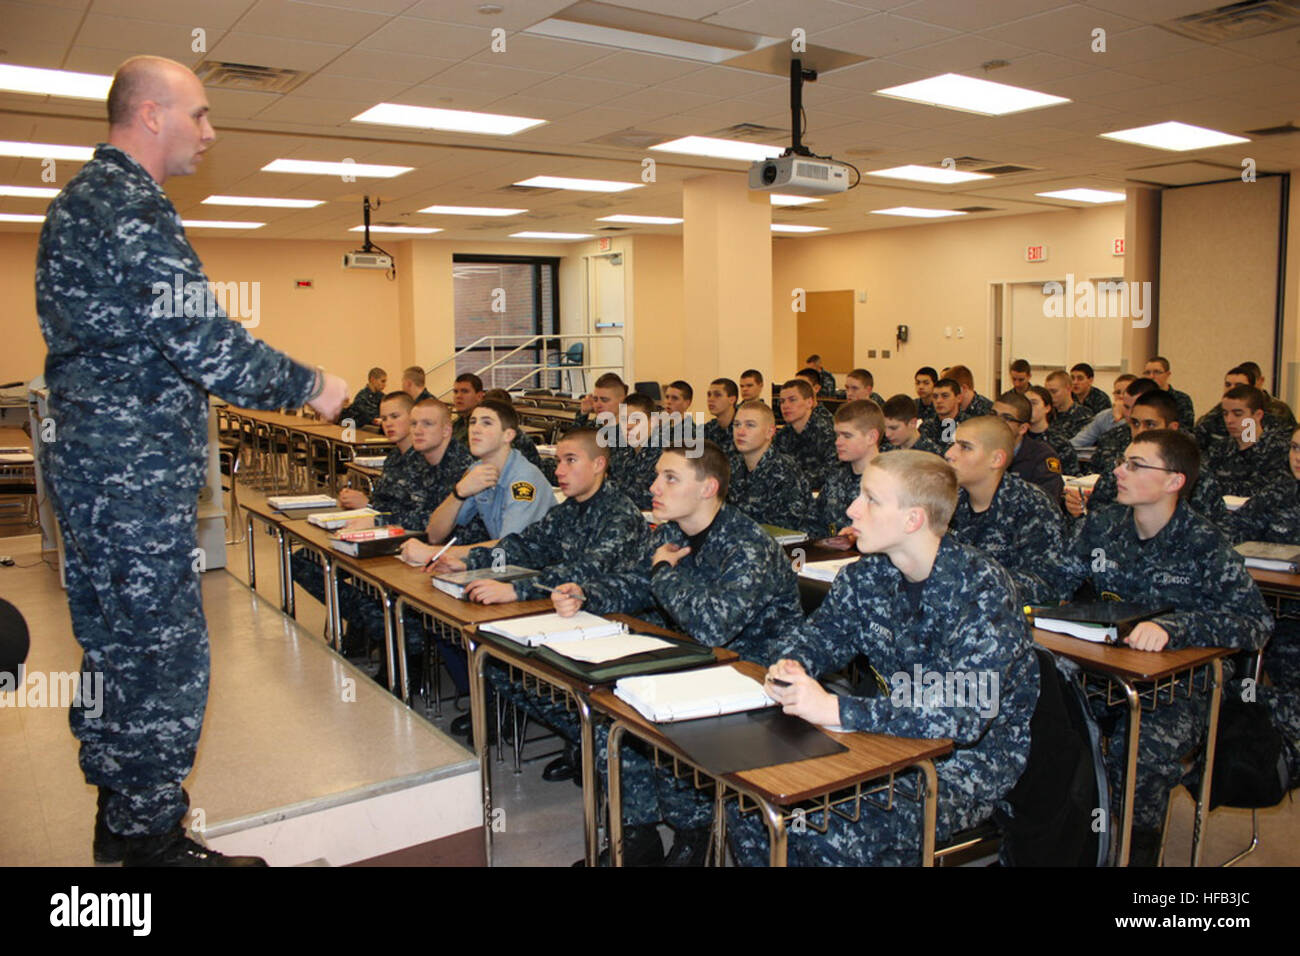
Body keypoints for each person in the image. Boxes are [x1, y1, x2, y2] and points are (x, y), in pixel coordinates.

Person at [35, 55, 349, 867]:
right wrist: (310, 384)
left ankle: (125, 833)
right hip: (130, 476)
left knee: (114, 650)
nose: (210, 133)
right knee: (163, 656)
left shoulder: (77, 204)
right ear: (149, 116)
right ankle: (149, 850)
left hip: (96, 468)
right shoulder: (131, 207)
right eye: (200, 115)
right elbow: (207, 343)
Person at [734, 451, 1040, 866]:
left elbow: (964, 716)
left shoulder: (980, 589)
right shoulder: (866, 574)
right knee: (751, 808)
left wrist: (835, 708)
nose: (852, 509)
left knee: (828, 832)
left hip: (964, 765)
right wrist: (791, 664)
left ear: (913, 519)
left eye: (871, 499)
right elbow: (820, 637)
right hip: (883, 740)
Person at [552, 442, 804, 865]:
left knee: (668, 731)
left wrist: (664, 572)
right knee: (609, 719)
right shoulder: (674, 529)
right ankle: (637, 836)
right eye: (657, 476)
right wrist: (586, 593)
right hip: (696, 662)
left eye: (670, 478)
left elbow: (712, 625)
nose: (654, 487)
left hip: (753, 678)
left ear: (708, 488)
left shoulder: (746, 545)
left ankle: (694, 836)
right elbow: (637, 581)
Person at [1055, 429, 1271, 865]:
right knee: (1052, 731)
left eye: (1136, 465)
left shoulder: (1203, 544)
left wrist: (1178, 626)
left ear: (1174, 481)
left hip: (1182, 688)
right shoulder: (1103, 526)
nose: (1118, 470)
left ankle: (1137, 854)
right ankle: (1075, 844)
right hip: (1107, 674)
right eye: (1123, 461)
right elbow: (1050, 579)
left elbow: (1256, 623)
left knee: (1139, 755)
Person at [944, 417, 1068, 605]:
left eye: (965, 447)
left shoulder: (1033, 505)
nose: (949, 454)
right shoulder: (947, 499)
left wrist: (972, 582)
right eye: (953, 444)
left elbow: (1047, 586)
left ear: (996, 459)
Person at [1066, 389, 1228, 529]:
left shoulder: (1197, 476)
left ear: (1172, 429)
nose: (1140, 431)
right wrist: (1079, 511)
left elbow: (1206, 531)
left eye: (1150, 424)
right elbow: (1097, 516)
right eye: (1135, 423)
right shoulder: (1118, 469)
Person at [413, 398, 554, 550]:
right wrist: (458, 492)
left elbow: (508, 548)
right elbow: (434, 536)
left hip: (539, 568)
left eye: (486, 423)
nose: (475, 429)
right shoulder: (477, 471)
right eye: (473, 422)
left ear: (508, 435)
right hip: (505, 566)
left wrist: (437, 552)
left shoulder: (524, 479)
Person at [727, 400, 814, 533]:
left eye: (750, 425)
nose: (740, 432)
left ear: (770, 432)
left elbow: (786, 529)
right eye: (737, 425)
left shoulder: (784, 470)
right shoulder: (732, 466)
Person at [808, 400, 883, 538]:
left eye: (847, 436)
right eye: (837, 435)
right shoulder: (836, 475)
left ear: (871, 437)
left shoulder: (890, 481)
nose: (838, 442)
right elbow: (813, 522)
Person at [1202, 384, 1292, 498]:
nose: (1229, 420)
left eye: (1237, 414)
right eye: (1225, 414)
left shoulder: (1278, 450)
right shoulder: (1219, 448)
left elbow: (1270, 492)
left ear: (1258, 415)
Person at [993, 390, 1065, 501]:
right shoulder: (980, 452)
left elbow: (1047, 503)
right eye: (993, 415)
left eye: (1006, 418)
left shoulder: (1042, 457)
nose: (996, 422)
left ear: (1023, 428)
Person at [773, 378, 837, 490]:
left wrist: (795, 480)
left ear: (809, 402)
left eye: (792, 400)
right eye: (782, 401)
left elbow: (833, 471)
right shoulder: (783, 434)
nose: (785, 406)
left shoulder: (826, 431)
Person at [605, 392, 663, 510]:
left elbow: (650, 497)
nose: (628, 426)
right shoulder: (621, 450)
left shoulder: (664, 454)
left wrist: (605, 486)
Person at [1025, 384, 1081, 477]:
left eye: (1034, 403)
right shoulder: (1017, 438)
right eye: (1025, 403)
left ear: (1047, 408)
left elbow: (1072, 476)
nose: (1029, 408)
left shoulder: (1059, 442)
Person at [1071, 373, 1136, 450]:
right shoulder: (1104, 416)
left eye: (1126, 392)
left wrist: (1119, 419)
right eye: (1118, 392)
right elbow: (1079, 441)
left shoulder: (1140, 418)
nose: (1121, 396)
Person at [1141, 356, 1195, 430]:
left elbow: (1186, 429)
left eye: (1157, 372)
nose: (1151, 376)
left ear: (1167, 374)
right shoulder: (1141, 399)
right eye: (1147, 373)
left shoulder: (1181, 399)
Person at [1042, 370, 1092, 445]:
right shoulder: (1046, 414)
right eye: (1047, 392)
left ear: (1068, 389)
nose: (1050, 396)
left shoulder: (1083, 416)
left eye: (1054, 391)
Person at [918, 376, 962, 449]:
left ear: (958, 398)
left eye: (945, 396)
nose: (938, 401)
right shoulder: (926, 425)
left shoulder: (967, 425)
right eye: (935, 396)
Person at [703, 377, 738, 454]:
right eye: (709, 395)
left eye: (717, 395)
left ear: (732, 399)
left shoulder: (743, 429)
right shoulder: (708, 428)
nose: (710, 399)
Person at [449, 373, 485, 444]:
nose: (458, 396)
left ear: (479, 396)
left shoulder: (484, 425)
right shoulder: (457, 424)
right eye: (455, 392)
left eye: (465, 391)